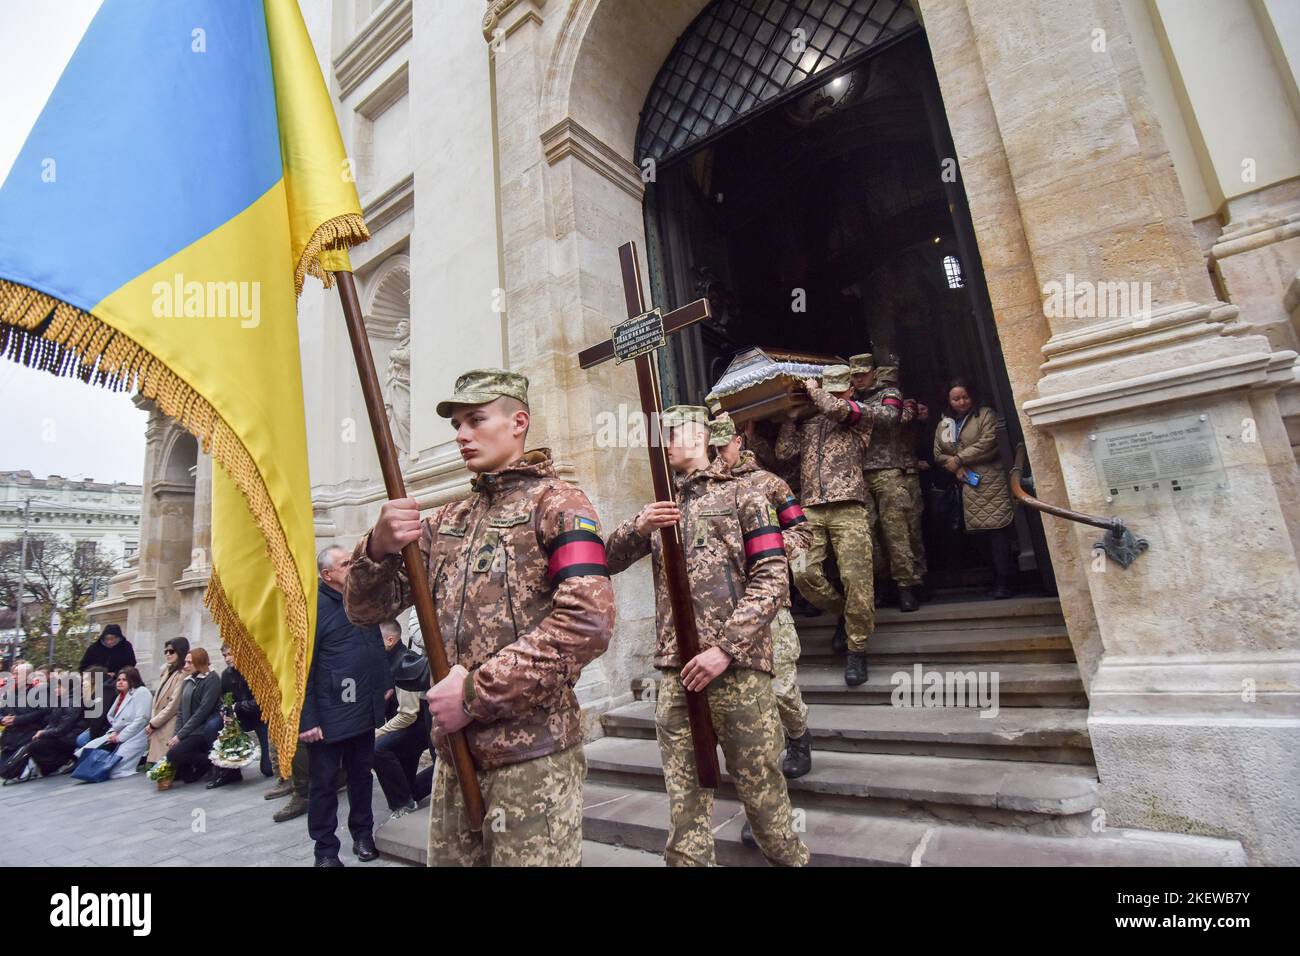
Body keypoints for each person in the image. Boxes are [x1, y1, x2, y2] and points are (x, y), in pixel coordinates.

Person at [345, 368, 615, 867]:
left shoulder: (561, 505)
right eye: (456, 425)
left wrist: (474, 693)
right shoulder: (449, 520)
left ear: (518, 422)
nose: (462, 435)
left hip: (532, 760)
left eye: (475, 419)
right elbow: (365, 610)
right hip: (454, 759)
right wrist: (377, 548)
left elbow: (588, 621)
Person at [607, 405, 809, 868]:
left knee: (762, 795)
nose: (661, 445)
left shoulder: (746, 495)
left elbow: (773, 578)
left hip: (737, 673)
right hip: (677, 674)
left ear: (698, 435)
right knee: (684, 802)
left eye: (669, 435)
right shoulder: (660, 505)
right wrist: (638, 528)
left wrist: (725, 648)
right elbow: (605, 560)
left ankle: (791, 859)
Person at [713, 413, 815, 780]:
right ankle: (765, 784)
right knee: (753, 698)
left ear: (739, 442)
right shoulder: (705, 490)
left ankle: (799, 735)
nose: (717, 454)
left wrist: (763, 547)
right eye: (712, 448)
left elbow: (803, 533)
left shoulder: (770, 483)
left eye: (722, 446)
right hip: (727, 607)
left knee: (783, 687)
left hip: (770, 602)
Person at [776, 364, 884, 686]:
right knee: (802, 571)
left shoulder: (859, 414)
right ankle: (843, 612)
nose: (835, 393)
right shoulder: (811, 423)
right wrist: (791, 419)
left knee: (856, 580)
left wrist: (814, 390)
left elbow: (836, 408)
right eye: (830, 387)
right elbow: (784, 453)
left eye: (840, 388)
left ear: (851, 390)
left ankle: (857, 649)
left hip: (849, 506)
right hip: (811, 509)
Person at [296, 544, 388, 867]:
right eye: (345, 563)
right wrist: (307, 720)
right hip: (328, 717)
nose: (353, 565)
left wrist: (383, 687)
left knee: (362, 776)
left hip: (362, 710)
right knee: (323, 786)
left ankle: (363, 835)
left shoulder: (359, 598)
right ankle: (325, 852)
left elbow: (374, 644)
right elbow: (301, 667)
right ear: (328, 575)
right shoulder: (312, 610)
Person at [933, 378, 1017, 598]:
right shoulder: (945, 423)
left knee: (997, 532)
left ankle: (1005, 582)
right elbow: (939, 452)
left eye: (965, 397)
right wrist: (953, 466)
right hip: (966, 483)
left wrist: (960, 458)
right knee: (979, 536)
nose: (961, 402)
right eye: (955, 398)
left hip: (990, 480)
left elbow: (989, 442)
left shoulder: (986, 415)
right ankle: (993, 580)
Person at [850, 353, 921, 612]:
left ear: (873, 372)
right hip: (858, 474)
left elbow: (890, 415)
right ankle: (882, 585)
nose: (858, 379)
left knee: (897, 532)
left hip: (888, 470)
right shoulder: (849, 399)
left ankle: (906, 587)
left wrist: (853, 410)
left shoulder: (888, 393)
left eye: (862, 374)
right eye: (854, 375)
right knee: (869, 535)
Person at [372, 621, 431, 822]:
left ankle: (403, 804)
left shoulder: (404, 662)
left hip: (419, 727)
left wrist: (379, 733)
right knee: (408, 784)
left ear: (390, 640)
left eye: (375, 640)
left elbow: (408, 714)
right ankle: (409, 795)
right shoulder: (389, 661)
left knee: (377, 749)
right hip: (411, 726)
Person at [207, 643, 273, 788]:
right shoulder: (226, 675)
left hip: (261, 718)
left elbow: (261, 702)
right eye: (224, 655)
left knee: (268, 769)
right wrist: (225, 711)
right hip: (239, 718)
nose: (227, 659)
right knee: (213, 725)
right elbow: (224, 699)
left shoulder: (255, 671)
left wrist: (237, 706)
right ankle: (228, 771)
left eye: (230, 654)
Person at [75, 666, 152, 780]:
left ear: (133, 680)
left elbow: (141, 719)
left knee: (116, 769)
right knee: (89, 749)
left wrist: (120, 736)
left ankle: (143, 759)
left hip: (135, 735)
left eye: (124, 680)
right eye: (119, 679)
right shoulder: (122, 695)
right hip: (117, 733)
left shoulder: (141, 692)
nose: (120, 682)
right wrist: (113, 733)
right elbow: (114, 718)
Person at [163, 648, 222, 783]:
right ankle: (200, 767)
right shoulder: (188, 680)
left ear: (199, 663)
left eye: (190, 663)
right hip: (188, 730)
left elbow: (202, 711)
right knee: (187, 777)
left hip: (201, 729)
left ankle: (211, 761)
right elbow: (180, 712)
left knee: (173, 754)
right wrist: (176, 735)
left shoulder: (212, 679)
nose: (186, 666)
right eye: (186, 662)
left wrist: (180, 736)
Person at [0, 663, 48, 782]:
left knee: (11, 768)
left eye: (18, 674)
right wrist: (2, 719)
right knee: (3, 770)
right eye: (13, 673)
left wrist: (16, 720)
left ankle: (29, 765)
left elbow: (41, 713)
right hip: (10, 736)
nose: (14, 676)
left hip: (28, 733)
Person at [145, 637, 189, 767]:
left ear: (180, 652)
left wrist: (154, 723)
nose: (168, 654)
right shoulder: (167, 671)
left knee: (166, 762)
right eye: (166, 652)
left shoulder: (182, 674)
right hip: (159, 720)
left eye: (172, 651)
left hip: (169, 722)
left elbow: (173, 705)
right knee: (158, 765)